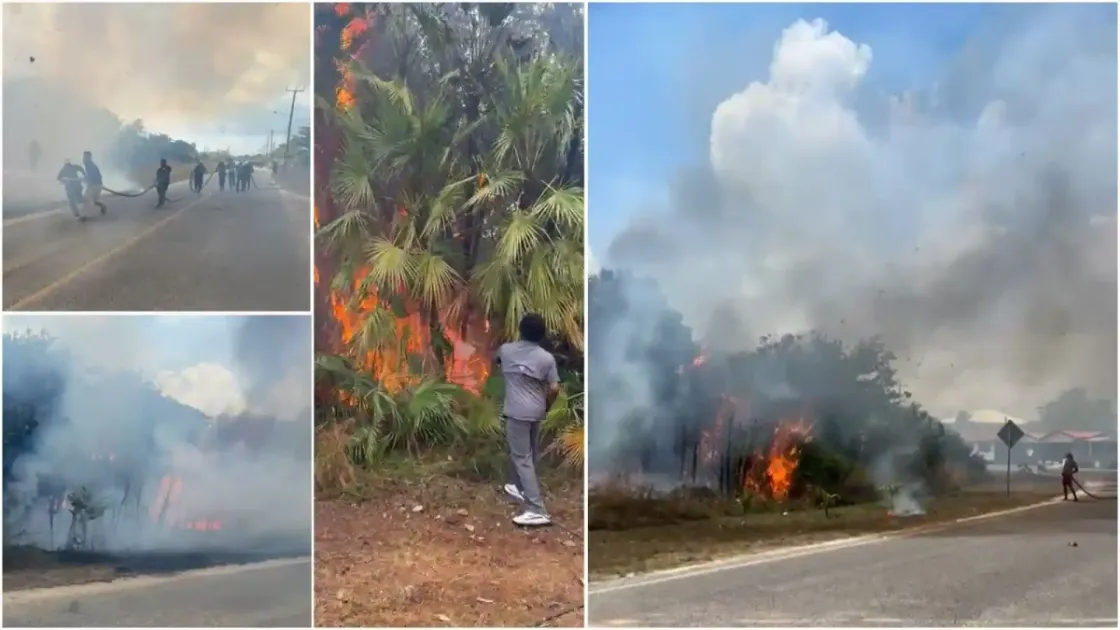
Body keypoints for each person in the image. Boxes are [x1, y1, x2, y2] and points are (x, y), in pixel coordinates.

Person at [496, 313, 560, 527]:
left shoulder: (506, 350)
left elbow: (497, 361)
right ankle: (517, 486)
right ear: (542, 335)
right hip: (536, 410)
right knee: (528, 452)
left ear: (520, 330)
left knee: (522, 457)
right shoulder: (546, 358)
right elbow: (554, 388)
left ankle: (536, 509)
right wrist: (547, 405)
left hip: (516, 412)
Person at [81, 151, 108, 215]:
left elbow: (92, 177)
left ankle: (84, 214)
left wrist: (85, 180)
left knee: (86, 199)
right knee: (93, 200)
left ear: (89, 158)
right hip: (96, 185)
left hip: (94, 186)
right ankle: (103, 206)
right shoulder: (89, 166)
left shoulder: (90, 166)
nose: (83, 159)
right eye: (83, 157)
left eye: (85, 157)